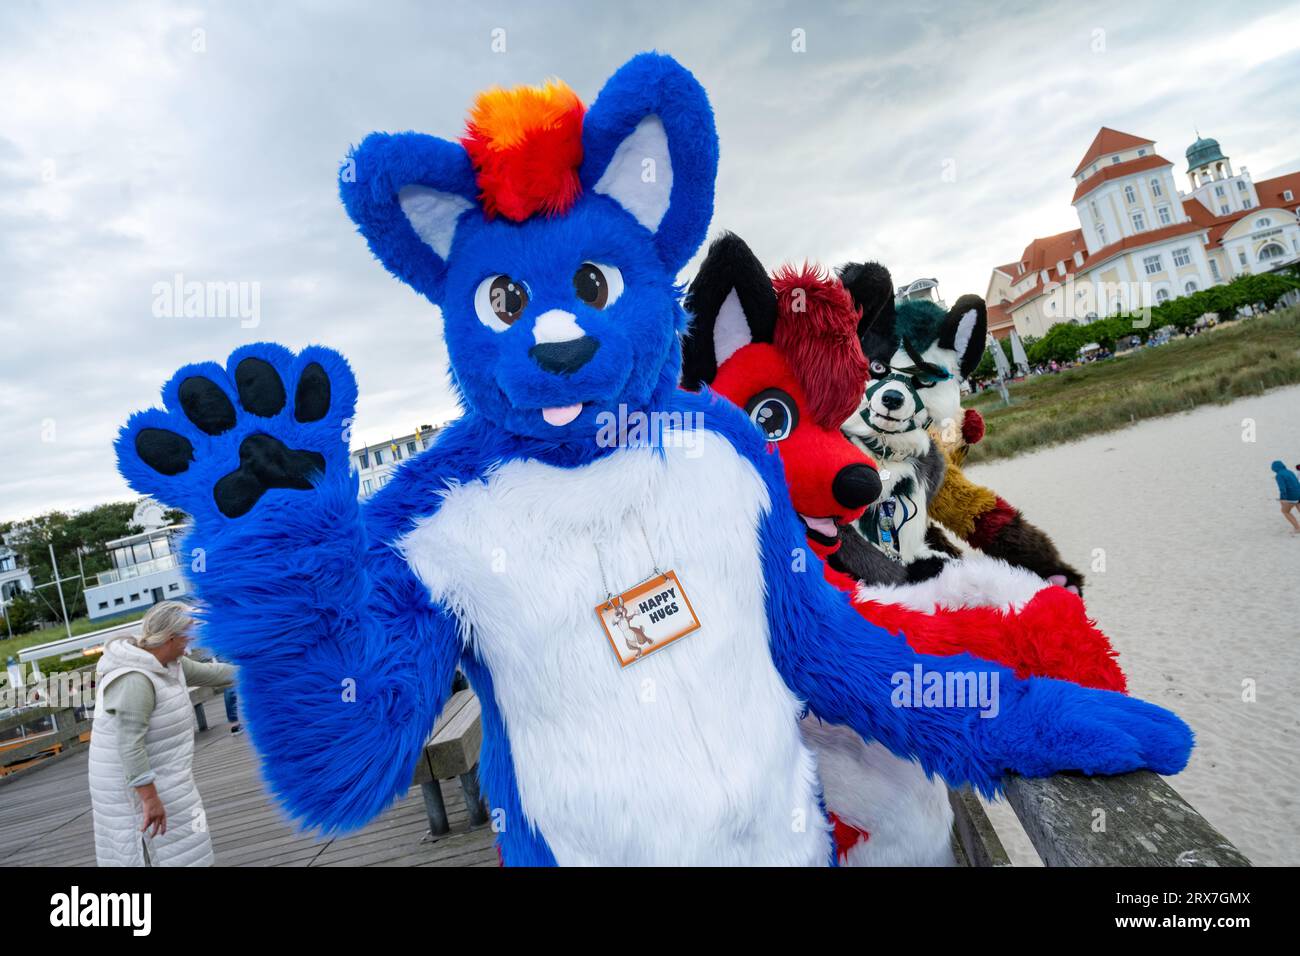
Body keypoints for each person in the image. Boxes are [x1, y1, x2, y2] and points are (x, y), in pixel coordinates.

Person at [88, 601, 235, 866]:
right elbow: (129, 745)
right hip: (135, 789)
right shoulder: (135, 680)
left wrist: (267, 671)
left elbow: (214, 674)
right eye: (189, 634)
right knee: (150, 850)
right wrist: (150, 799)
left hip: (168, 775)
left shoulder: (170, 663)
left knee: (188, 847)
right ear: (171, 637)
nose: (192, 641)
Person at [1272, 460, 1300, 534]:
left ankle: (1297, 528)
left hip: (1292, 496)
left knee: (1285, 511)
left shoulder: (1279, 475)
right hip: (1299, 492)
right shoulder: (1290, 471)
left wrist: (1283, 498)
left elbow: (1282, 488)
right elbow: (1297, 482)